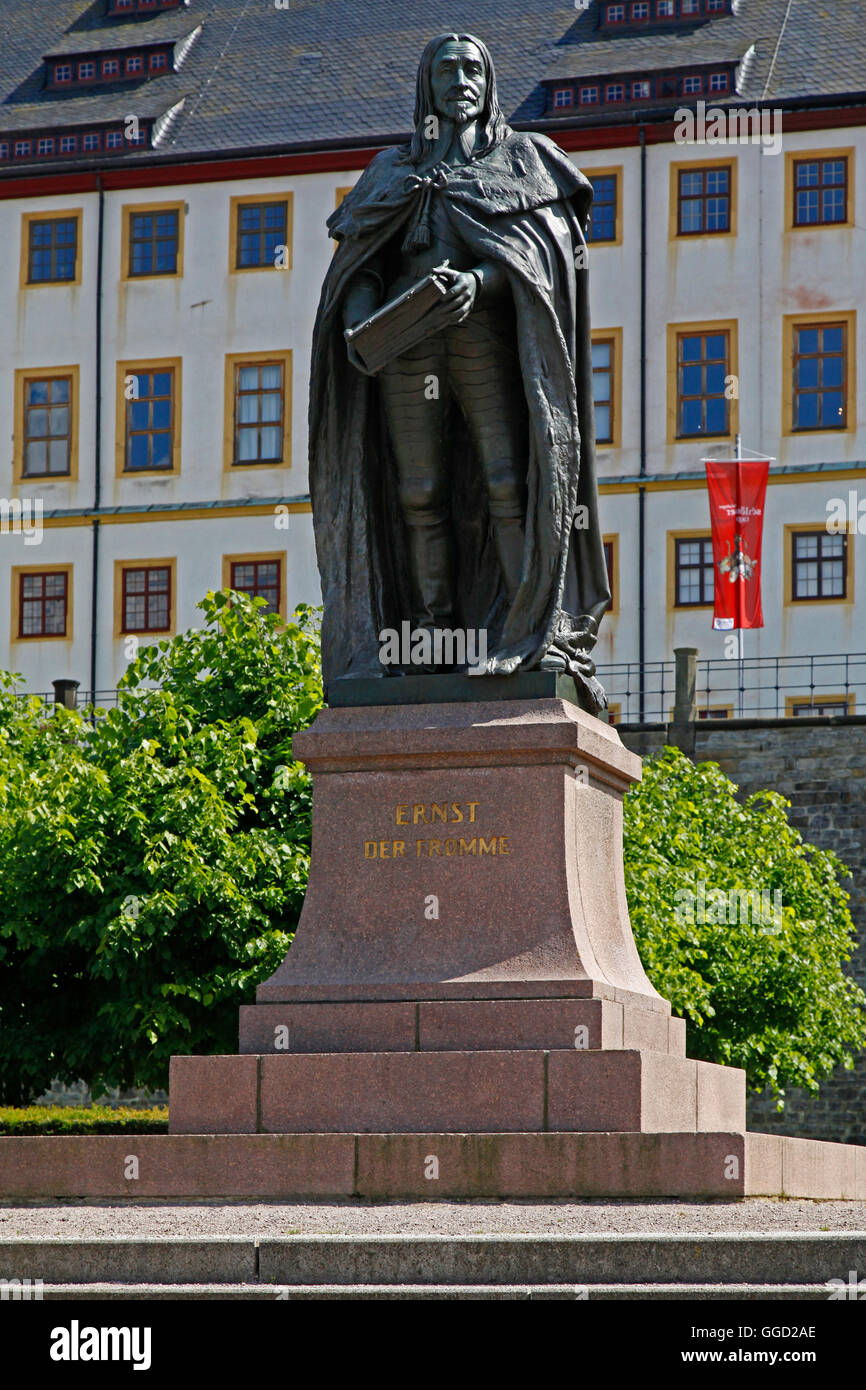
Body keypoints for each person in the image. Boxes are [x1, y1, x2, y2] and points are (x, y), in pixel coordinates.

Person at [309, 31, 611, 711]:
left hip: (482, 340)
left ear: (489, 81)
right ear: (427, 85)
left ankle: (528, 629)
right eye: (447, 70)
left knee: (506, 481)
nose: (460, 81)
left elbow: (541, 261)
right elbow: (361, 266)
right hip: (406, 345)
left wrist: (481, 281)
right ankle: (433, 640)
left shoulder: (522, 160)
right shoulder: (390, 172)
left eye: (472, 69)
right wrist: (361, 322)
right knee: (419, 493)